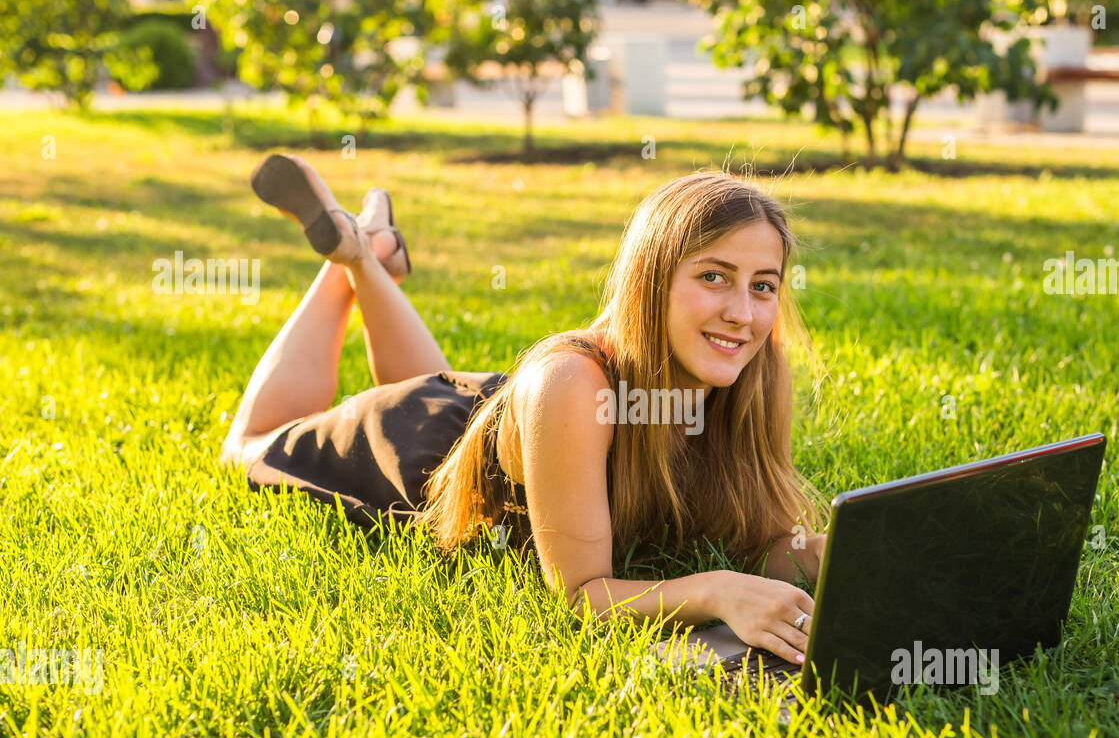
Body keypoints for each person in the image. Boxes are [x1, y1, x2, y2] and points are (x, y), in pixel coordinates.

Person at [221, 155, 827, 664]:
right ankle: (351, 254)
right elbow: (580, 595)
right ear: (650, 280)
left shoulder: (755, 374)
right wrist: (715, 591)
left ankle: (372, 251)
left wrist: (827, 553)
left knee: (434, 384)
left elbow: (754, 541)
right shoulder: (572, 382)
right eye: (715, 277)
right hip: (416, 445)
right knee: (246, 448)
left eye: (763, 285)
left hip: (513, 421)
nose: (743, 313)